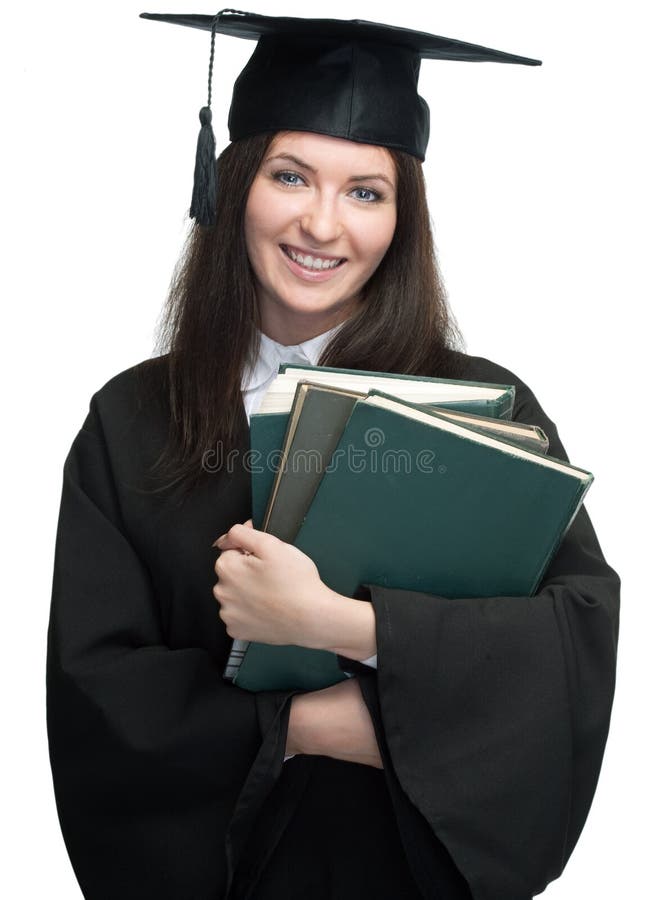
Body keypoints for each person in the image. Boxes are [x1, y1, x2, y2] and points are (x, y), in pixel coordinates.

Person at [46, 10, 620, 900]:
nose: (321, 224)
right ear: (233, 183)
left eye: (365, 190)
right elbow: (94, 691)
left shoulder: (483, 408)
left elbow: (572, 632)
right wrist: (309, 726)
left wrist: (343, 628)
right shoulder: (132, 418)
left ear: (401, 217)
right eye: (290, 176)